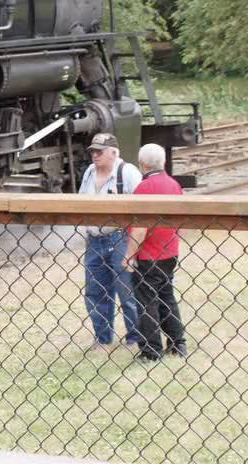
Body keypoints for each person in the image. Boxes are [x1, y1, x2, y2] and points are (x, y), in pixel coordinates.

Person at [123, 143, 189, 362]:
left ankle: (151, 351)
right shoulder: (174, 184)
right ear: (164, 162)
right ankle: (177, 343)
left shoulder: (144, 188)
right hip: (170, 251)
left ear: (142, 165)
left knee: (146, 302)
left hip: (148, 255)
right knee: (167, 297)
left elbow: (140, 228)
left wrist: (129, 255)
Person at [78, 132, 143, 350]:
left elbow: (143, 209)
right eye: (92, 151)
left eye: (99, 151)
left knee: (127, 290)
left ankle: (135, 337)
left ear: (114, 153)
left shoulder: (129, 172)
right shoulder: (89, 172)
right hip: (94, 239)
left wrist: (134, 246)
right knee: (95, 290)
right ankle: (102, 337)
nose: (94, 155)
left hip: (120, 237)